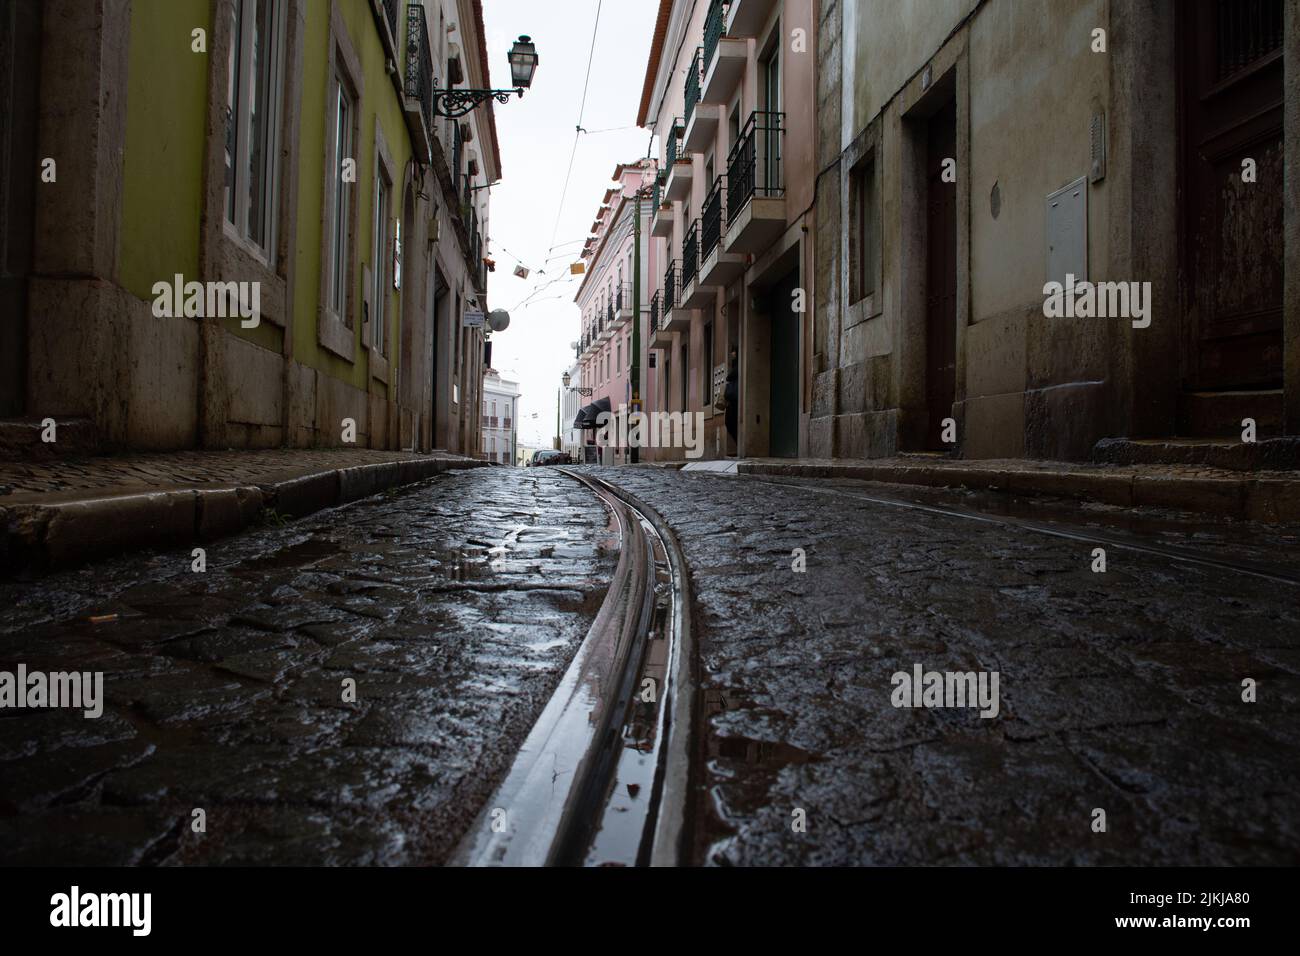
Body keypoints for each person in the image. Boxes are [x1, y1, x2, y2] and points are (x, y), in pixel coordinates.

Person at [723, 347, 738, 445]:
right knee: (729, 422)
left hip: (735, 398)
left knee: (730, 422)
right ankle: (738, 443)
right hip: (732, 399)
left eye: (734, 352)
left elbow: (729, 377)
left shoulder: (738, 364)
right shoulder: (735, 364)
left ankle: (738, 443)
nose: (732, 354)